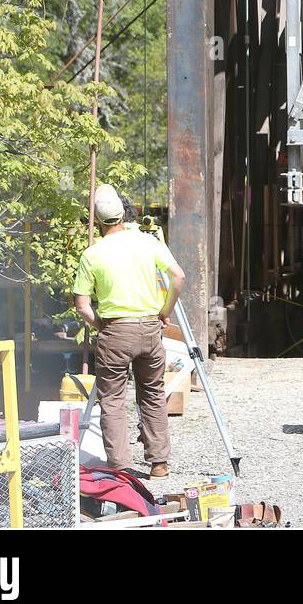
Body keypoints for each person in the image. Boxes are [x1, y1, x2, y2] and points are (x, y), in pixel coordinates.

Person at [73, 184, 186, 478]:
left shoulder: (92, 254)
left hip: (114, 331)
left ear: (97, 220)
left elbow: (83, 306)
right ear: (124, 213)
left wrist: (102, 327)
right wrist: (164, 311)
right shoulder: (147, 242)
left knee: (112, 400)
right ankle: (159, 463)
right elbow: (178, 276)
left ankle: (121, 468)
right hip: (150, 327)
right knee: (152, 393)